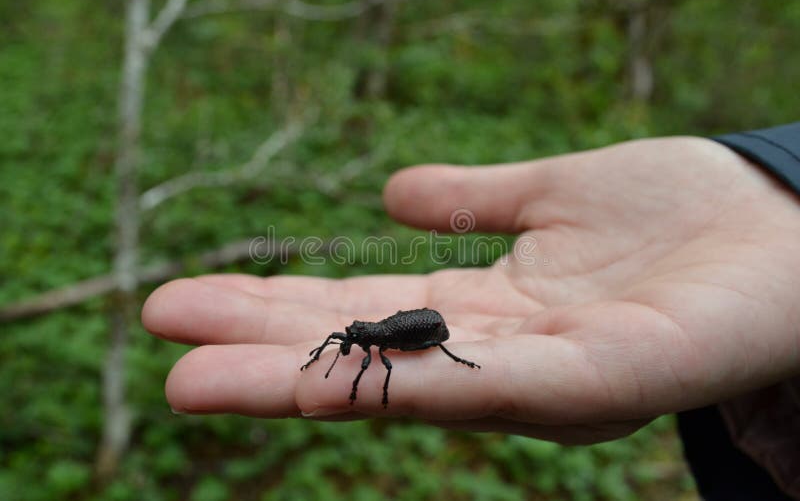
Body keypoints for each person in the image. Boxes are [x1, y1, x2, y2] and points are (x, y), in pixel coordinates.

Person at [142, 125, 800, 500]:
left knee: (416, 343)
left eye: (348, 343)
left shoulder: (383, 342)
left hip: (427, 329)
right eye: (349, 344)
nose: (349, 342)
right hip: (419, 327)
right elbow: (367, 348)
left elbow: (392, 357)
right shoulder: (367, 339)